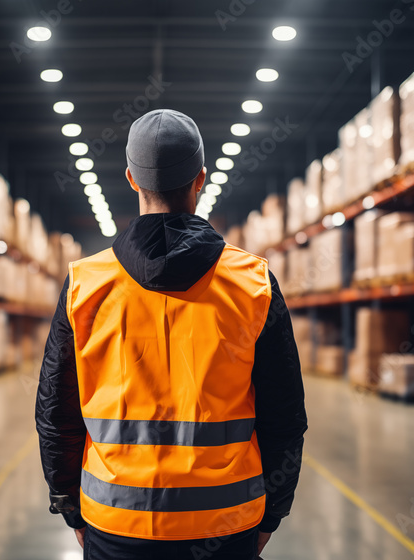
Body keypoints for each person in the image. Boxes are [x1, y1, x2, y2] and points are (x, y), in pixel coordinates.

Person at [35, 109, 307, 560]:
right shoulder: (253, 283)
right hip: (227, 522)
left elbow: (56, 413)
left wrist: (70, 505)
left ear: (130, 178)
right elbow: (285, 416)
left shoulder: (86, 284)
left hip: (116, 520)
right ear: (200, 179)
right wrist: (273, 513)